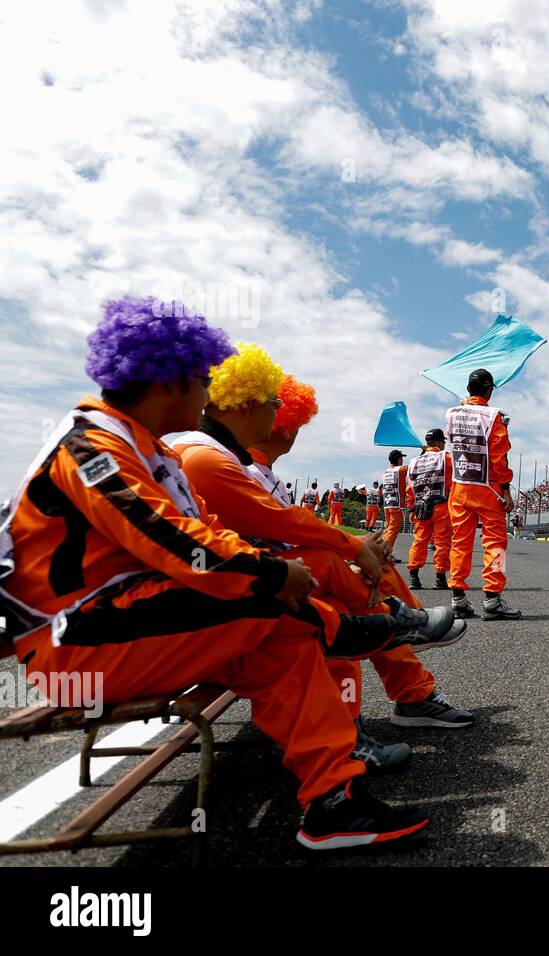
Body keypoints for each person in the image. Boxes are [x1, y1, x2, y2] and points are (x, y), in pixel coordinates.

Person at [2, 297, 437, 849]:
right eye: (202, 381)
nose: (209, 395)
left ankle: (335, 802)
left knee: (276, 632)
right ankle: (345, 632)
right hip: (73, 644)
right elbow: (175, 542)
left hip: (122, 621)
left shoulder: (147, 447)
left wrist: (275, 573)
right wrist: (276, 576)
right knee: (267, 602)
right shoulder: (92, 444)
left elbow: (207, 533)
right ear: (167, 383)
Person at [170, 356, 474, 765]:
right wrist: (347, 551)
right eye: (275, 405)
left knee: (356, 575)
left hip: (222, 589)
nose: (282, 417)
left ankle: (402, 649)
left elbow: (270, 533)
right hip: (206, 608)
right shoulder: (207, 457)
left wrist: (349, 549)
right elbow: (276, 525)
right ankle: (380, 682)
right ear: (255, 410)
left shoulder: (225, 458)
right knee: (337, 605)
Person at [446, 369, 521, 620]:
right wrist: (506, 490)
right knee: (495, 544)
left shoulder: (451, 414)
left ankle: (458, 599)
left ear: (468, 389)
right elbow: (499, 459)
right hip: (487, 488)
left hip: (459, 487)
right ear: (489, 389)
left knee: (460, 542)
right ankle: (492, 599)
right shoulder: (494, 416)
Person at [407, 429, 452, 591]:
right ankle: (440, 579)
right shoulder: (446, 457)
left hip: (420, 507)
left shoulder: (413, 462)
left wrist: (411, 508)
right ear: (440, 442)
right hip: (441, 505)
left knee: (419, 541)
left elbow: (409, 489)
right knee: (442, 543)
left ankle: (413, 578)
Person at [381, 450, 408, 556]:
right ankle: (385, 553)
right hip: (396, 504)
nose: (402, 460)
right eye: (401, 458)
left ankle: (382, 550)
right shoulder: (400, 470)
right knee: (392, 530)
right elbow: (416, 466)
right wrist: (424, 453)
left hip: (387, 504)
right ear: (398, 459)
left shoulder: (386, 471)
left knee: (388, 529)